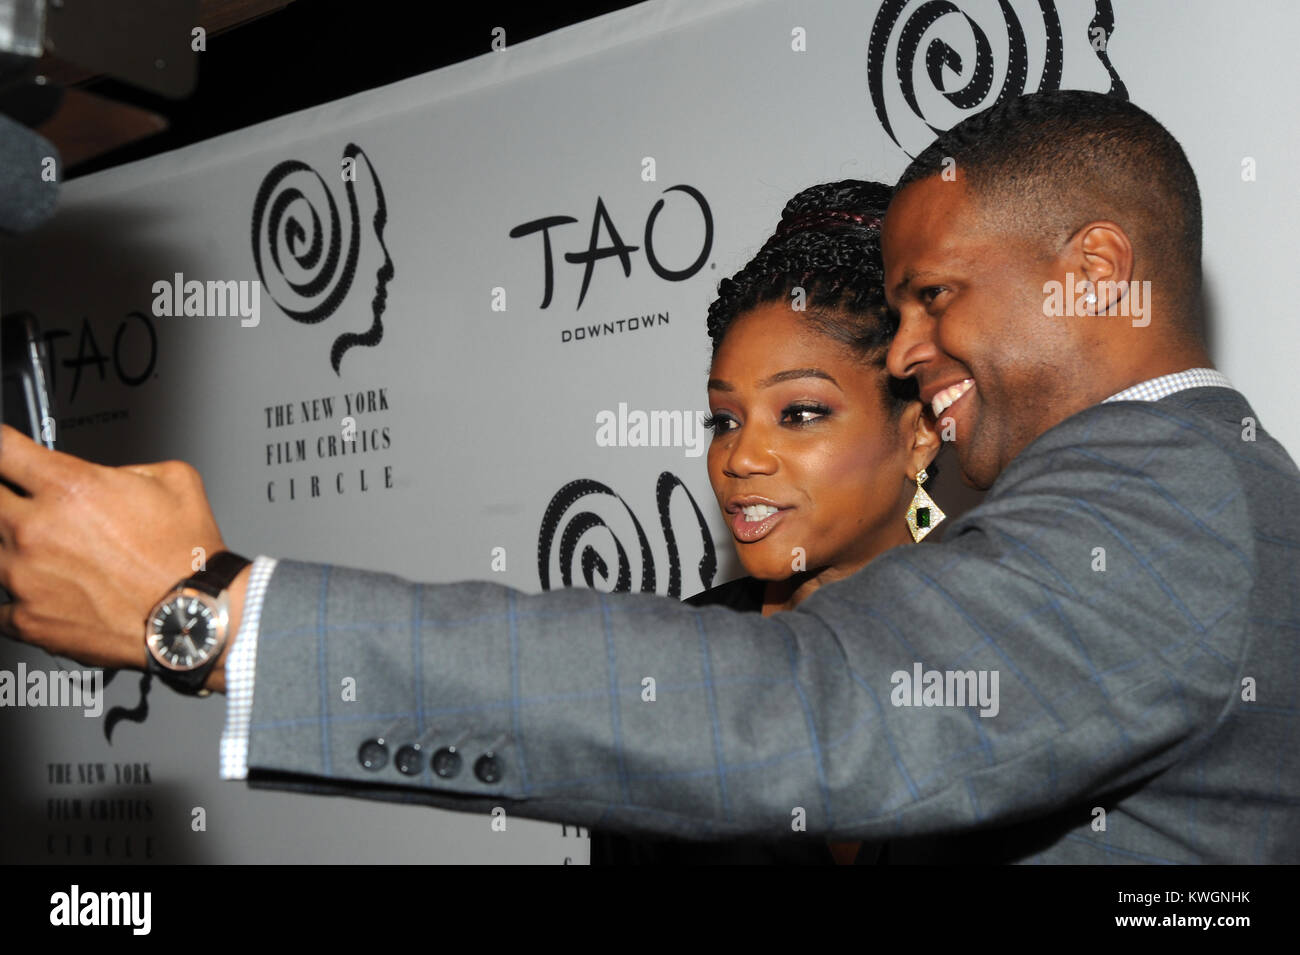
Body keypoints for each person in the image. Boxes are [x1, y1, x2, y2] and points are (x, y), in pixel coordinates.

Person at [2, 89, 1297, 863]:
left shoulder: (1174, 504)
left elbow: (810, 714)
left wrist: (220, 613)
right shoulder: (1172, 494)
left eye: (935, 297)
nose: (909, 350)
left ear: (1093, 269)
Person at [592, 179, 941, 865]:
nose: (740, 457)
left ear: (922, 432)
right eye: (725, 420)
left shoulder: (1012, 655)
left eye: (799, 413)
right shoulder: (662, 683)